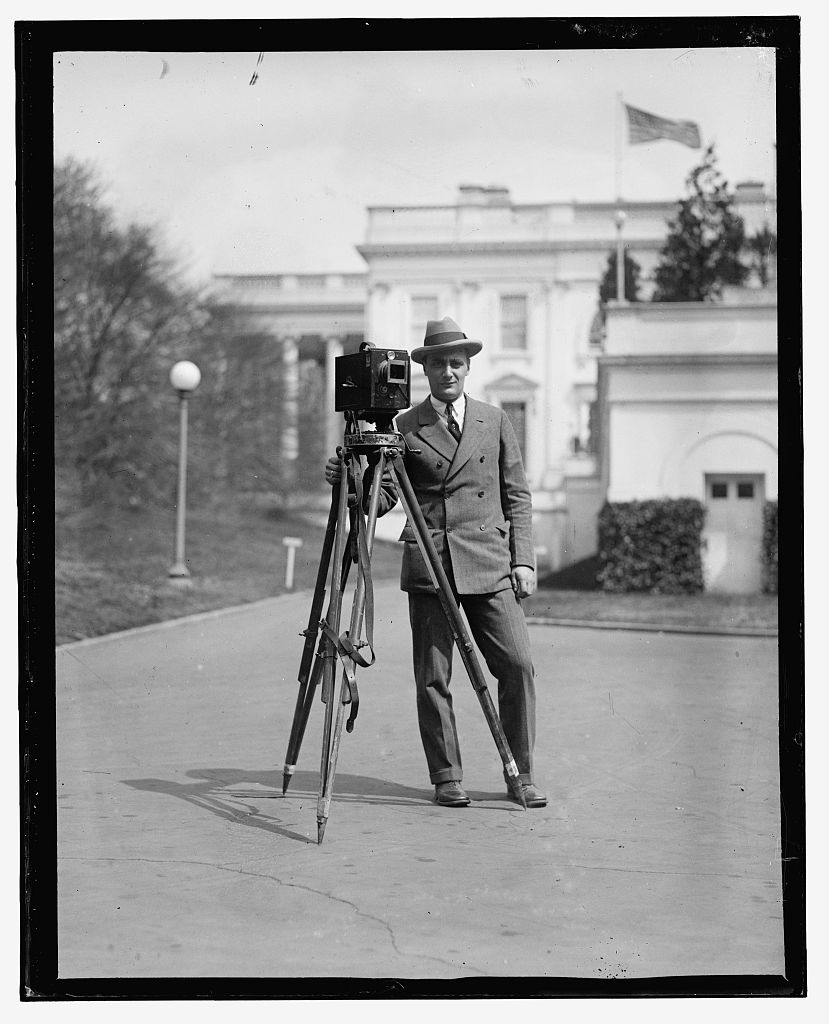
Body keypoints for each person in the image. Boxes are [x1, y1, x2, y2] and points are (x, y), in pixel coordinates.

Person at [324, 316, 546, 808]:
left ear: (467, 368)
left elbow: (518, 496)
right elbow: (381, 500)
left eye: (456, 363)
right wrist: (351, 479)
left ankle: (521, 771)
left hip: (489, 563)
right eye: (438, 363)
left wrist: (524, 561)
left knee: (517, 665)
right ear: (424, 369)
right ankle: (446, 776)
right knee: (433, 677)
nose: (448, 372)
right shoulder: (405, 426)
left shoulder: (495, 419)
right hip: (431, 561)